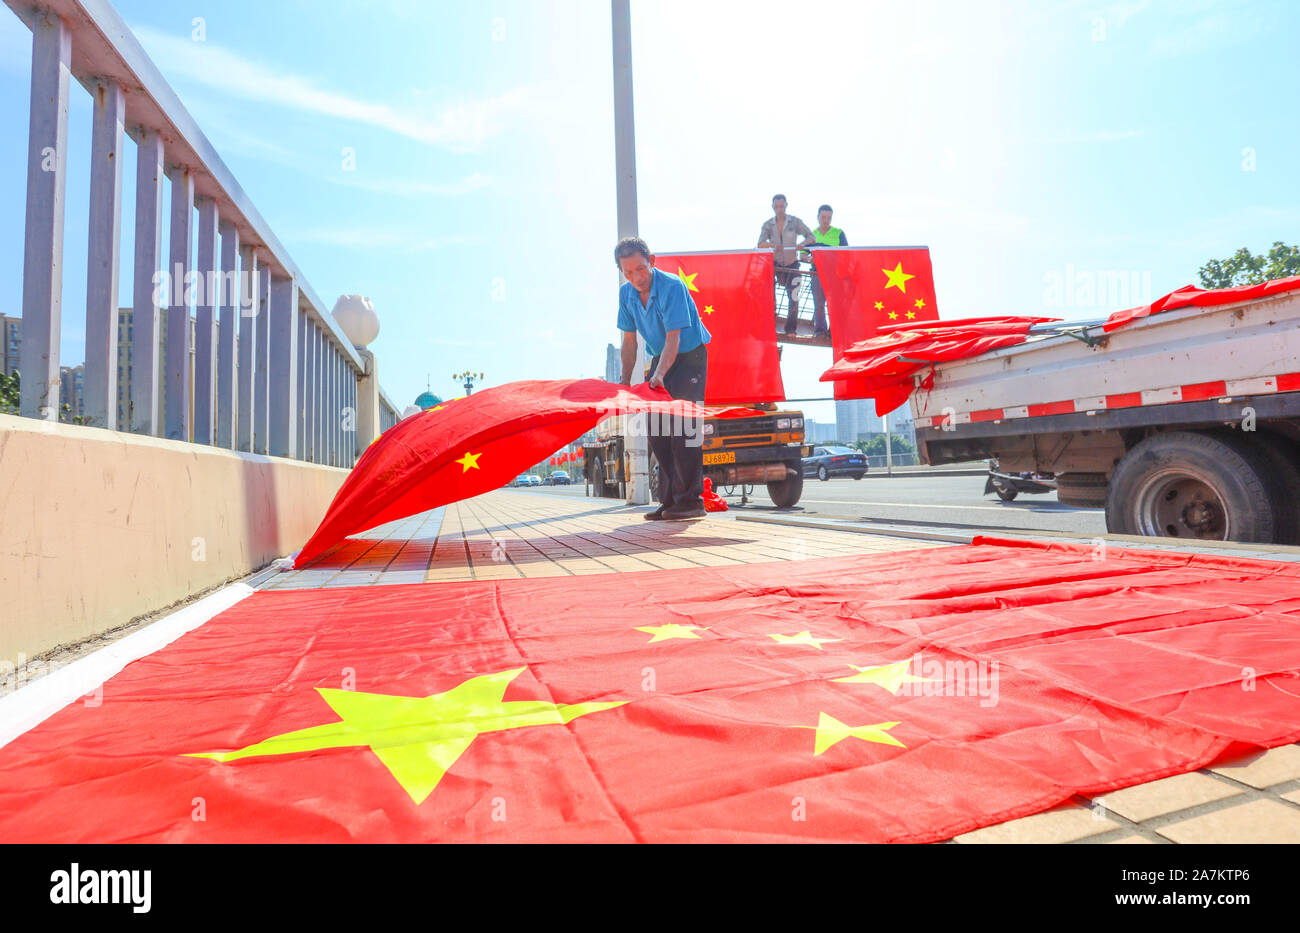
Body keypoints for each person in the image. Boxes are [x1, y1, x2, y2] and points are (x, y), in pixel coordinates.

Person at [614, 236, 712, 521]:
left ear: (652, 262)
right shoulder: (626, 294)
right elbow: (629, 343)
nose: (636, 278)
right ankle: (669, 501)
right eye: (628, 272)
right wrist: (624, 384)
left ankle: (691, 501)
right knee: (657, 431)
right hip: (661, 359)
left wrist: (658, 375)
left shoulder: (672, 286)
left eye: (641, 269)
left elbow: (674, 339)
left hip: (689, 357)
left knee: (685, 430)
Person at [756, 194, 815, 335]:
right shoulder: (768, 225)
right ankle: (770, 322)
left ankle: (791, 329)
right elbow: (760, 244)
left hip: (792, 265)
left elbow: (811, 236)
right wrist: (772, 245)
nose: (779, 209)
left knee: (794, 298)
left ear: (786, 205)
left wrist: (802, 244)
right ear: (773, 207)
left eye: (781, 206)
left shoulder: (794, 222)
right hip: (776, 267)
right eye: (776, 207)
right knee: (768, 295)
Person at [808, 204, 847, 338]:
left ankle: (833, 332)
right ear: (818, 217)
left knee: (835, 305)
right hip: (817, 273)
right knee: (818, 304)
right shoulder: (811, 235)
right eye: (823, 217)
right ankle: (820, 331)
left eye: (829, 218)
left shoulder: (839, 233)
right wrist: (809, 259)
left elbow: (846, 253)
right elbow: (802, 253)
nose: (826, 220)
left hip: (835, 274)